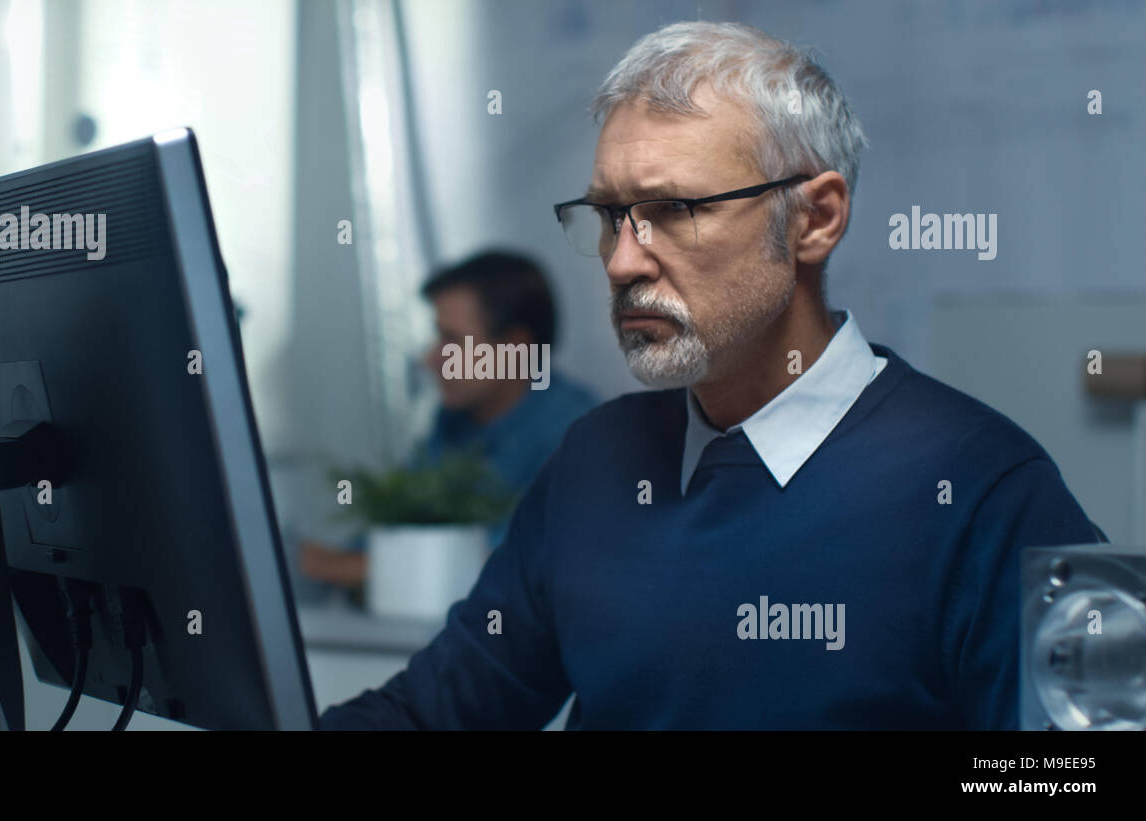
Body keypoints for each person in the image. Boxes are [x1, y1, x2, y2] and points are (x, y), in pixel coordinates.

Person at [319, 21, 1107, 730]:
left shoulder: (985, 488)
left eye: (675, 211)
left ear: (815, 218)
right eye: (608, 217)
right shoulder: (595, 462)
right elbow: (434, 712)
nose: (623, 260)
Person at [299, 250, 598, 589]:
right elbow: (394, 532)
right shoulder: (454, 421)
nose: (431, 358)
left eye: (452, 340)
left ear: (517, 347)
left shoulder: (579, 434)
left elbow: (508, 569)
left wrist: (330, 567)